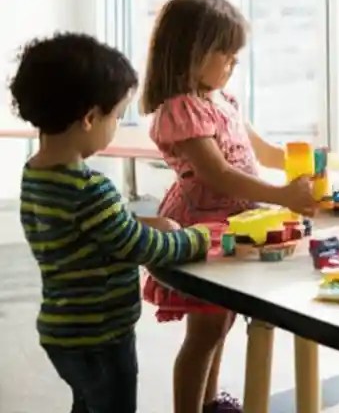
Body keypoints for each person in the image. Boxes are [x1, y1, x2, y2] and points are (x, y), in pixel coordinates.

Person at [11, 33, 211, 413]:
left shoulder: (36, 175)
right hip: (100, 334)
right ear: (90, 118)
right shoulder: (90, 188)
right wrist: (196, 238)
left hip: (62, 330)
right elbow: (140, 247)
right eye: (116, 116)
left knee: (87, 405)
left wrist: (139, 222)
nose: (117, 124)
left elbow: (93, 230)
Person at [137, 0, 315, 413]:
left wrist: (309, 162)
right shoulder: (181, 110)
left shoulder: (221, 101)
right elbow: (217, 173)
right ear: (191, 52)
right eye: (226, 55)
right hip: (204, 228)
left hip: (235, 224)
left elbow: (262, 152)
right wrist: (281, 195)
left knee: (221, 323)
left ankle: (211, 403)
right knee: (205, 332)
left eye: (236, 56)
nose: (233, 64)